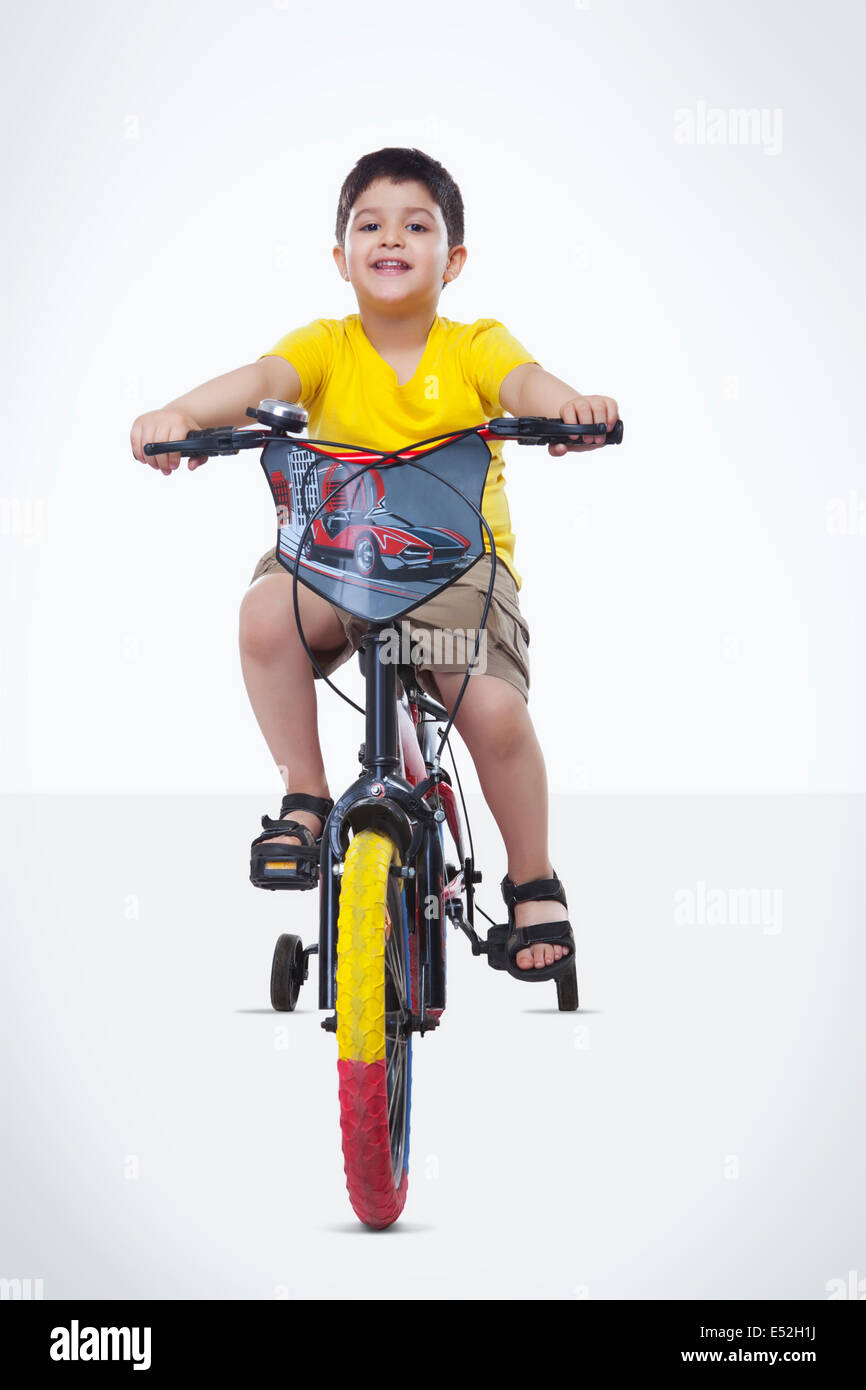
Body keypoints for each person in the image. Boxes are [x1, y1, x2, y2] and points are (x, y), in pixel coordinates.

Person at [130, 147, 618, 979]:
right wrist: (181, 413)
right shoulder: (325, 347)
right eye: (370, 224)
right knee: (263, 615)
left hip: (453, 569)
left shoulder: (473, 347)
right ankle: (307, 798)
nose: (391, 238)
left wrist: (565, 405)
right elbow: (260, 381)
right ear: (341, 256)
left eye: (416, 225)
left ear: (451, 259)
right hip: (337, 557)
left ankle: (534, 877)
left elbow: (525, 383)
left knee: (493, 714)